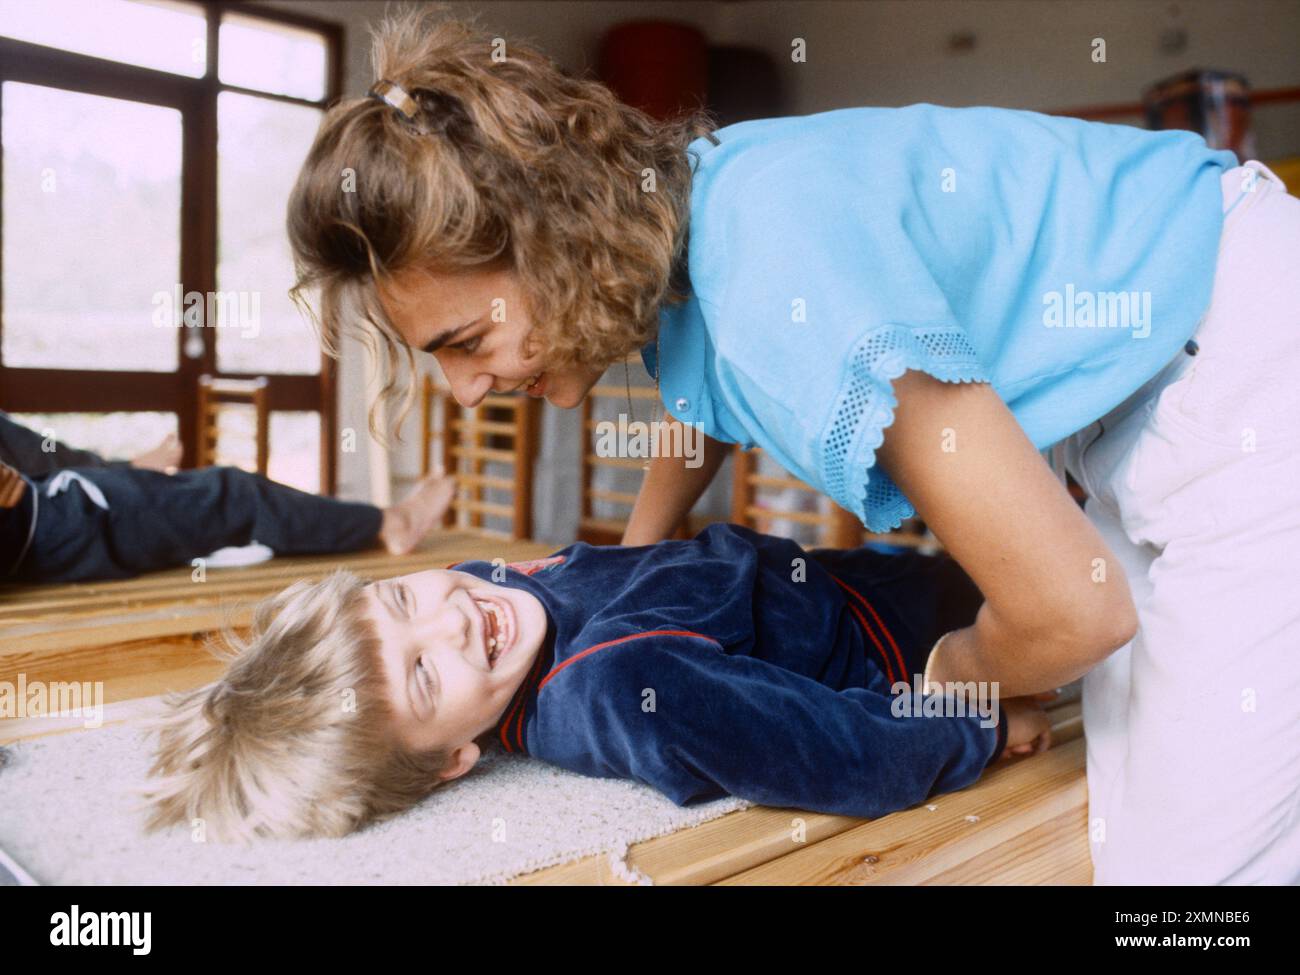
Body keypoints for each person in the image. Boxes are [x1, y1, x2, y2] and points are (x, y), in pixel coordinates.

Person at [283, 9, 1300, 884]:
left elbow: (1072, 610)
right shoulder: (686, 210)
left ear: (549, 241)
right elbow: (702, 392)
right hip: (1147, 376)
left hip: (1240, 358)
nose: (465, 390)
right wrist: (642, 561)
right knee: (1120, 759)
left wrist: (955, 673)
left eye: (465, 344)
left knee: (1181, 869)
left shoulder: (778, 275)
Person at [140, 521, 1055, 841]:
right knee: (1110, 593)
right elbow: (832, 753)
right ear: (457, 758)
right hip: (903, 639)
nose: (449, 617)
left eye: (399, 600)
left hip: (852, 572)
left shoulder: (483, 606)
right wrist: (969, 718)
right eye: (424, 675)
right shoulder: (616, 692)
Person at [0, 412, 455, 582]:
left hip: (55, 504)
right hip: (66, 522)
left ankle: (124, 471)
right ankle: (389, 523)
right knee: (234, 494)